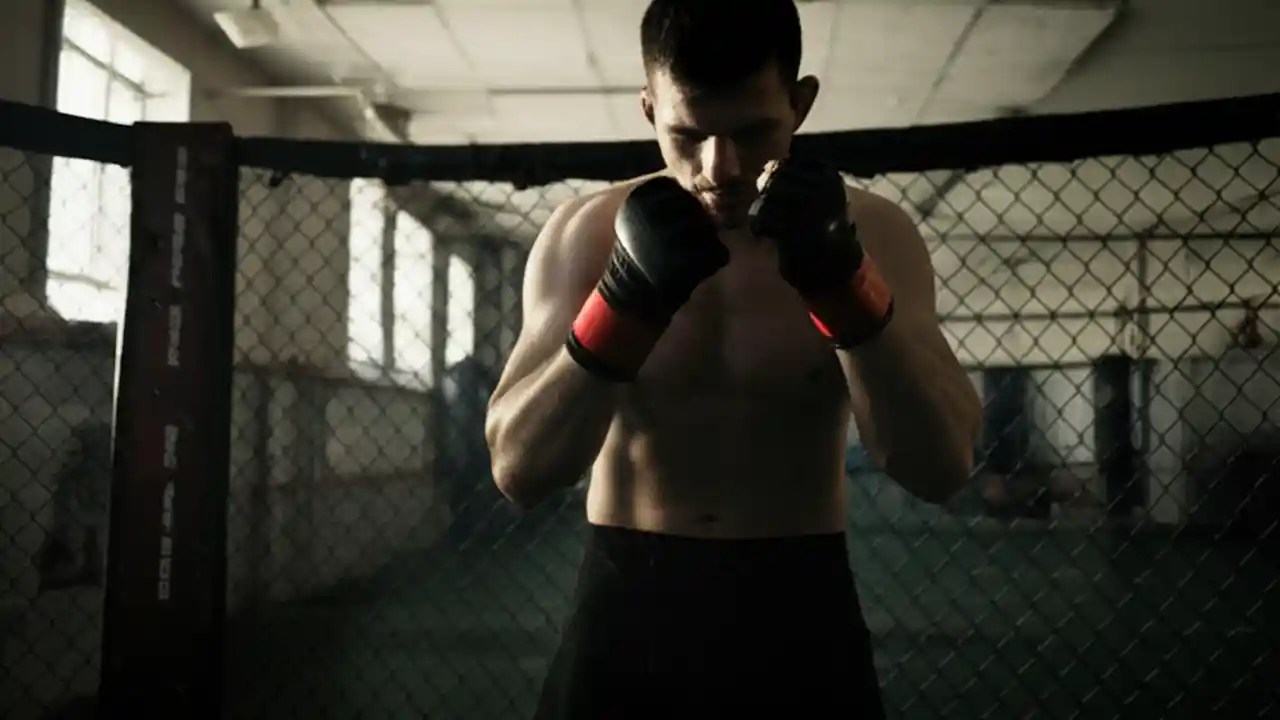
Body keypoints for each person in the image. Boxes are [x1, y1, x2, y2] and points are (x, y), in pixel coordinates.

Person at [484, 1, 983, 716]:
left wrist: (846, 289)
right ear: (649, 108)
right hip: (629, 597)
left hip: (799, 599)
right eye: (686, 134)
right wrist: (620, 306)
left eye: (753, 132)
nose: (720, 167)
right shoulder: (587, 235)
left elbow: (942, 466)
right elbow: (519, 472)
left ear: (801, 104)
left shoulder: (875, 234)